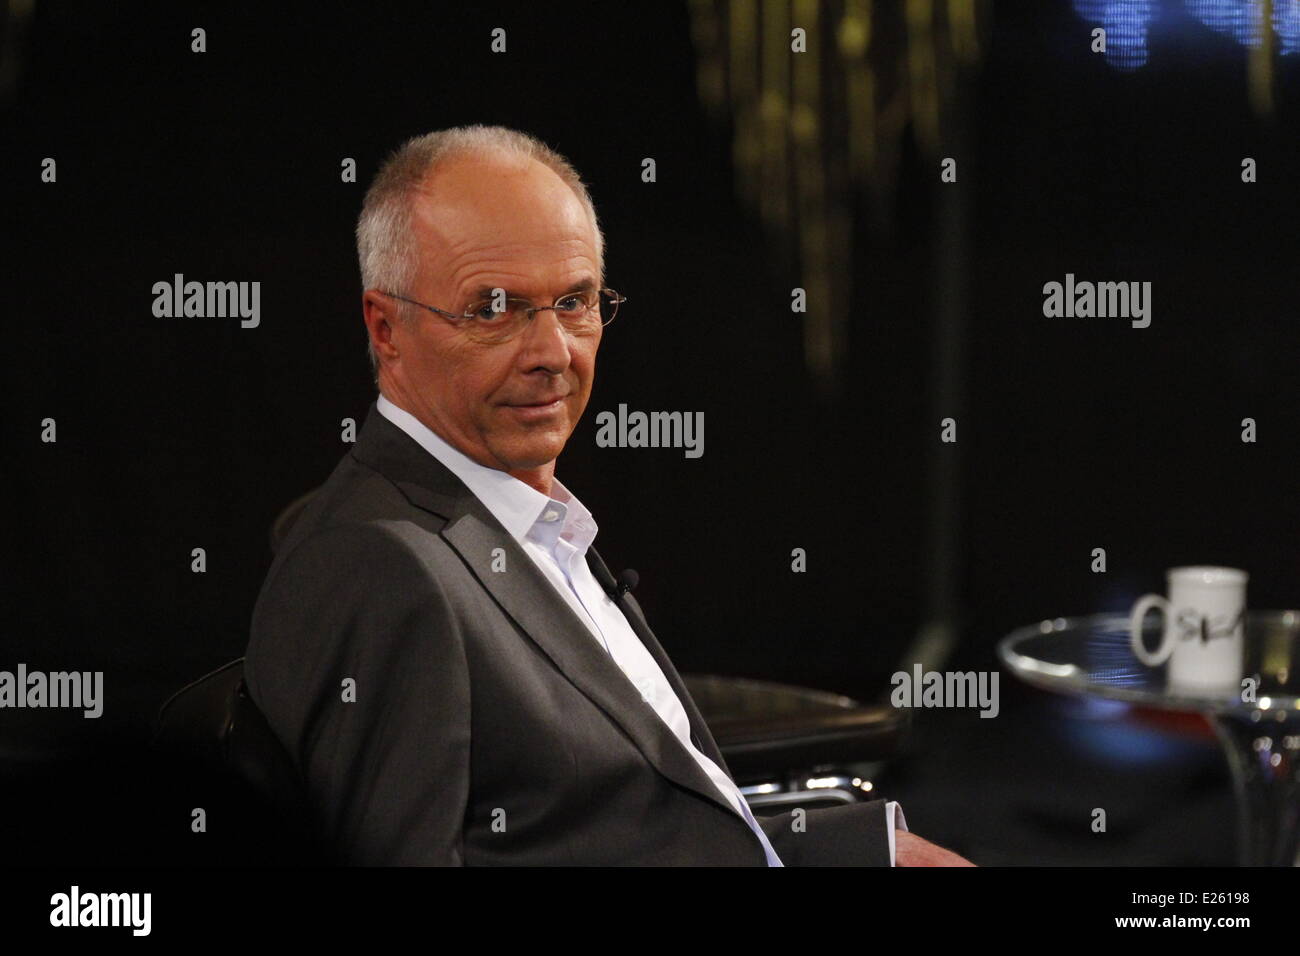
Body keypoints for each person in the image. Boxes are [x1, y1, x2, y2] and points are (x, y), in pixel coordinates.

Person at [244, 124, 972, 866]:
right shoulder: (378, 566)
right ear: (386, 328)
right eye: (494, 308)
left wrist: (871, 851)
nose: (553, 352)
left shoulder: (524, 521)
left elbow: (635, 828)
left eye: (575, 300)